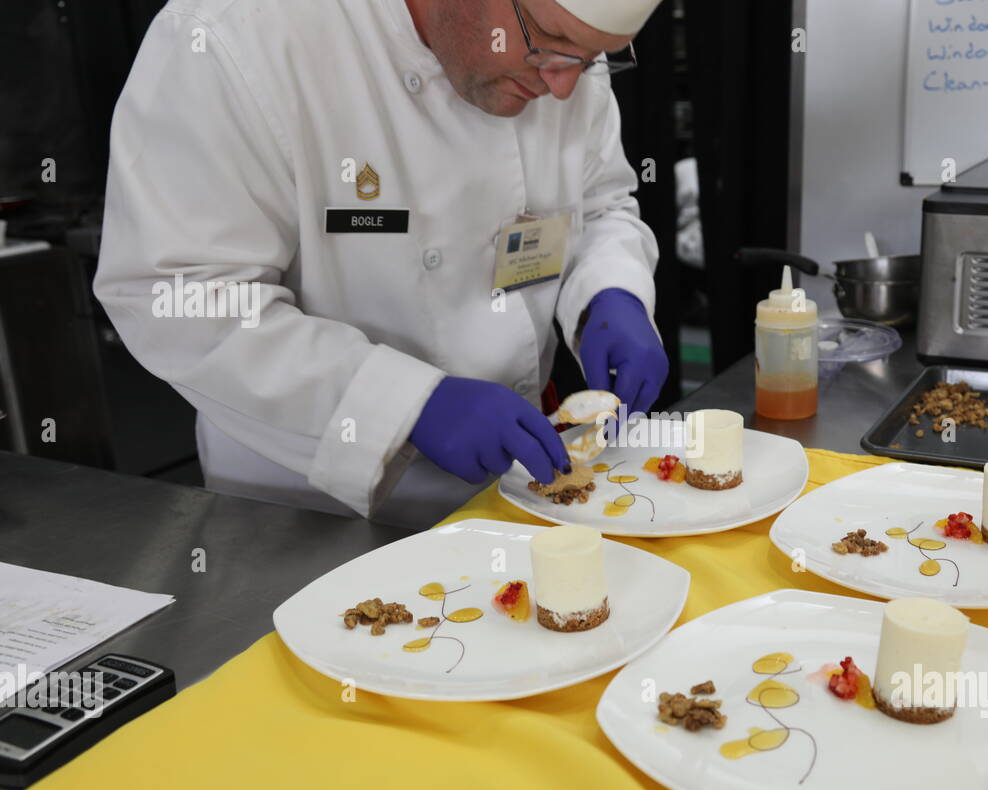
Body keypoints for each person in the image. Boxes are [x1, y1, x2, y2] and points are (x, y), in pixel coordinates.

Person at [94, 0, 669, 527]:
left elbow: (599, 203)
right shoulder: (231, 40)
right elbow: (180, 297)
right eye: (548, 40)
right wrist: (407, 405)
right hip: (310, 521)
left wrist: (609, 292)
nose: (564, 87)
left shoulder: (559, 60)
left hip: (518, 496)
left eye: (593, 61)